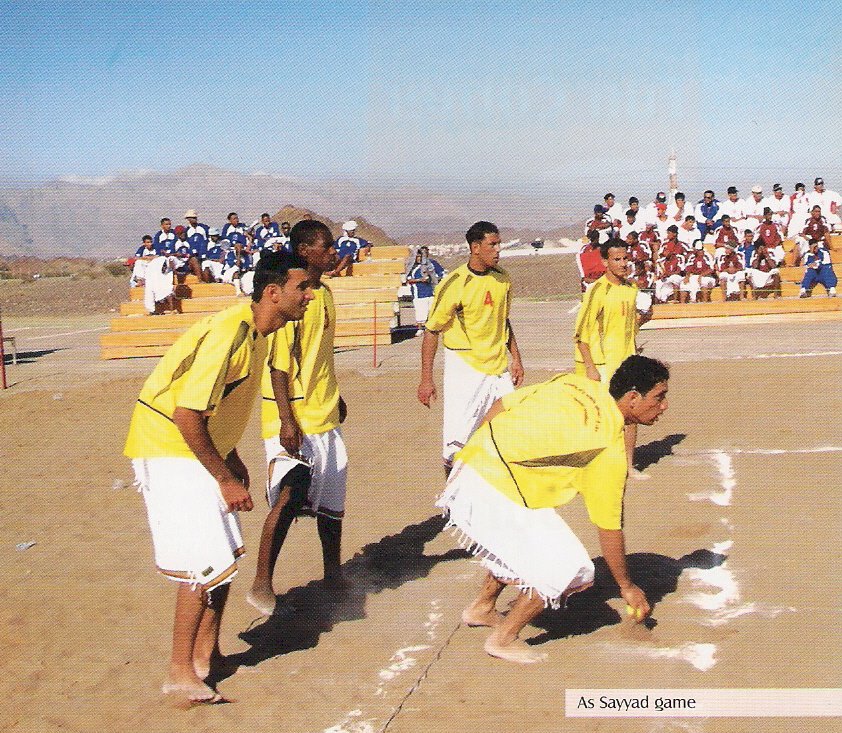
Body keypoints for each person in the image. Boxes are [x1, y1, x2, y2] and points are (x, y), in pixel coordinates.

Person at [124, 251, 313, 703]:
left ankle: (208, 656)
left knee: (224, 557)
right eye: (301, 288)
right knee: (201, 562)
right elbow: (187, 414)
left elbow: (218, 405)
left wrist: (231, 458)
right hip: (169, 447)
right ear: (273, 292)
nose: (309, 295)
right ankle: (178, 670)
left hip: (195, 448)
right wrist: (224, 476)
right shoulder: (231, 331)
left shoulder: (260, 331)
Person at [436, 355, 670, 664]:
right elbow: (609, 527)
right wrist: (626, 586)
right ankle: (504, 638)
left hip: (472, 462)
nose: (664, 406)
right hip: (489, 487)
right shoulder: (609, 450)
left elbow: (503, 405)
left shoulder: (576, 383)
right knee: (570, 568)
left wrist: (474, 453)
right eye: (659, 397)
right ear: (632, 398)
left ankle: (482, 608)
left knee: (525, 540)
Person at [248, 221, 349, 617]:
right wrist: (287, 421)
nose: (333, 252)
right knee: (291, 493)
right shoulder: (292, 301)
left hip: (325, 415)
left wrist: (337, 397)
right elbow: (278, 367)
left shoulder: (323, 294)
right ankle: (261, 582)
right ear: (305, 250)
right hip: (292, 417)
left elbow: (319, 356)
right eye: (326, 246)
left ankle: (333, 574)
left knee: (331, 504)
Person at [418, 221, 524, 475]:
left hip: (498, 367)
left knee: (509, 430)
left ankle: (496, 498)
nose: (498, 250)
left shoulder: (503, 278)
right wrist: (426, 379)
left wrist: (517, 358)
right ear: (475, 247)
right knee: (457, 443)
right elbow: (432, 331)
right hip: (465, 368)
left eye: (499, 244)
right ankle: (452, 508)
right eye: (492, 244)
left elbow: (503, 320)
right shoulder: (455, 282)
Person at [574, 239, 653, 479]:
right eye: (617, 259)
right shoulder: (597, 290)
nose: (622, 264)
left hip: (626, 360)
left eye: (625, 258)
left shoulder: (631, 289)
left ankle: (628, 466)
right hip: (601, 364)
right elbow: (581, 333)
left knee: (632, 413)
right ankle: (591, 466)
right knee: (599, 417)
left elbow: (629, 327)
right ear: (605, 262)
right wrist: (590, 367)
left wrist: (644, 318)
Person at [407, 250, 436, 332]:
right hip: (419, 293)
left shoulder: (428, 266)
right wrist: (420, 280)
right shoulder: (412, 268)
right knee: (420, 311)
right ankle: (420, 328)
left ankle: (429, 328)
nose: (420, 258)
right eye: (418, 257)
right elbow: (408, 280)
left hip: (429, 292)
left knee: (431, 310)